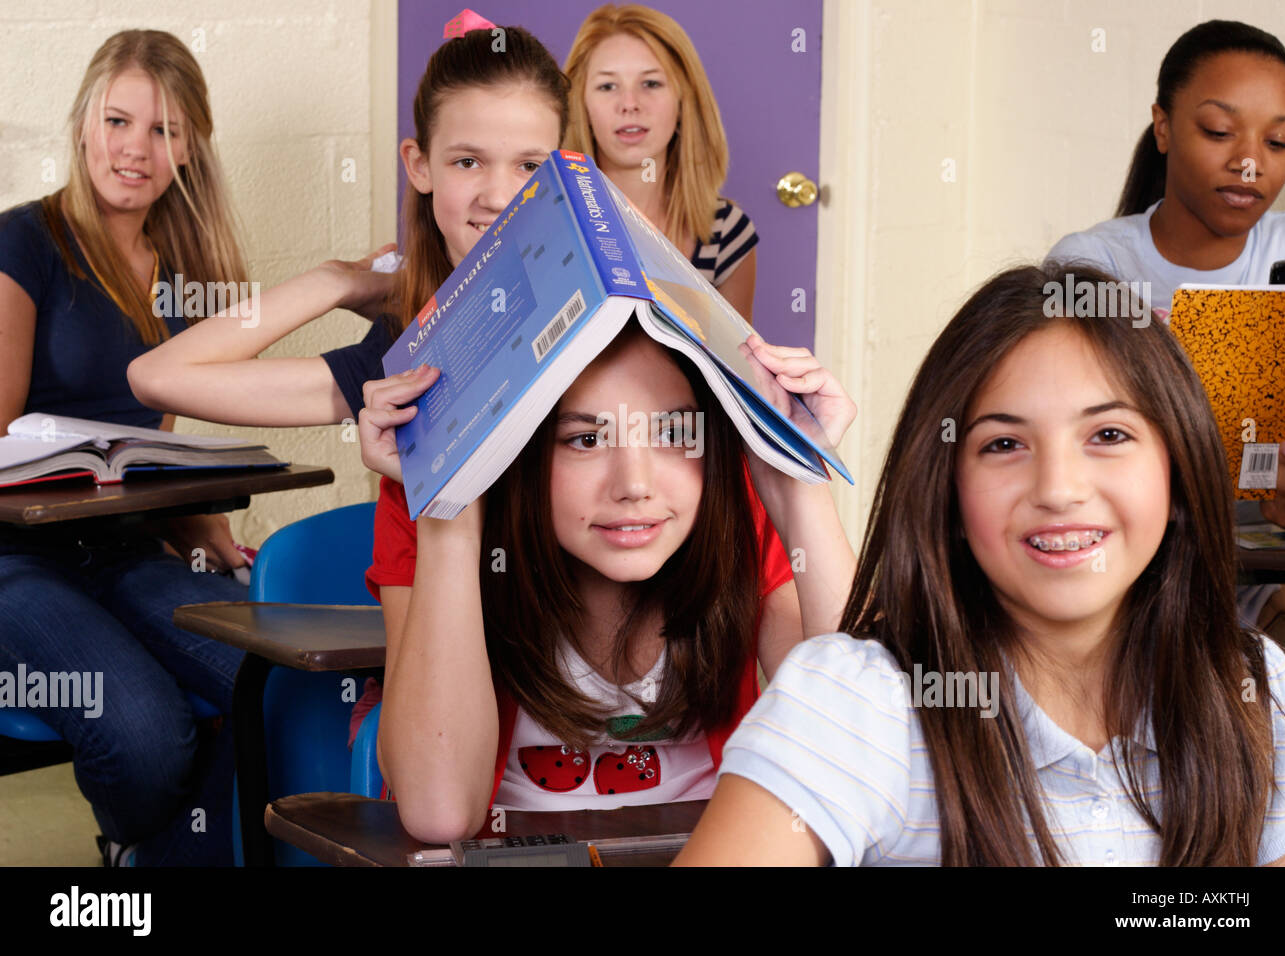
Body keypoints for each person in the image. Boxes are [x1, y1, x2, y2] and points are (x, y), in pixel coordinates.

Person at [675, 264, 1285, 866]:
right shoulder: (860, 702)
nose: (1058, 489)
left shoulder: (1253, 687)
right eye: (1004, 444)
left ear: (1178, 469)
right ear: (948, 490)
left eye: (1108, 435)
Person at [359, 322, 856, 841]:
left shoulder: (736, 502)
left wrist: (802, 483)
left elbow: (868, 750)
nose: (635, 486)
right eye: (587, 439)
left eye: (672, 434)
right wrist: (448, 505)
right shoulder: (435, 505)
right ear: (518, 448)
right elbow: (440, 813)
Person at [0, 30, 251, 865]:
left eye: (165, 131)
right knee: (146, 735)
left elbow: (148, 454)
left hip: (126, 548)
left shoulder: (185, 271)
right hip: (14, 559)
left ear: (190, 149)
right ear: (83, 124)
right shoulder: (23, 243)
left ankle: (180, 855)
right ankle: (134, 858)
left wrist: (197, 528)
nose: (136, 149)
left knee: (274, 681)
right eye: (119, 120)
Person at [126, 22, 567, 431]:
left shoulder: (603, 304)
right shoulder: (404, 346)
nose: (497, 197)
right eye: (467, 162)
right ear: (420, 166)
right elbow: (156, 376)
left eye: (529, 166)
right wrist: (336, 283)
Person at [1046, 20, 1285, 648]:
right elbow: (1068, 433)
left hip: (1258, 574)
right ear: (1163, 126)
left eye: (1279, 142)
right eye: (1218, 131)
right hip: (1128, 582)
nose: (1249, 162)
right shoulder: (1092, 265)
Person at [563, 4, 758, 319]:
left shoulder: (726, 232)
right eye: (607, 86)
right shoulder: (548, 218)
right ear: (581, 104)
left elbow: (738, 366)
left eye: (651, 83)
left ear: (684, 101)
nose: (629, 104)